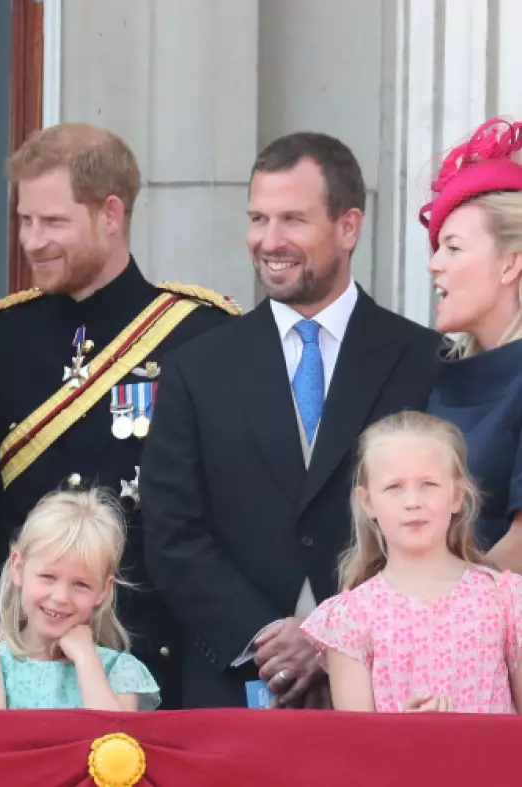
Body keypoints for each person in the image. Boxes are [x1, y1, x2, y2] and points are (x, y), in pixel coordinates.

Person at [140, 131, 443, 709]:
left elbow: (438, 527)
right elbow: (173, 532)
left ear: (348, 227)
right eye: (258, 218)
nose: (268, 241)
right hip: (235, 688)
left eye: (293, 220)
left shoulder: (423, 359)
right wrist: (263, 635)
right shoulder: (196, 367)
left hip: (389, 686)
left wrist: (334, 633)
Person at [0, 122, 239, 709]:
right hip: (29, 646)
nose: (31, 241)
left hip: (155, 647)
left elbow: (223, 505)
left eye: (53, 222)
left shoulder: (202, 333)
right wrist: (48, 602)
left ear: (111, 214)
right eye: (24, 220)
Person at [301, 412, 522, 713]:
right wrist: (410, 734)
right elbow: (356, 745)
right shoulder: (349, 618)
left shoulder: (506, 599)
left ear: (457, 495)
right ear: (368, 504)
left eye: (429, 484)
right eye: (394, 487)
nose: (413, 501)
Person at [0, 488, 159, 710]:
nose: (61, 597)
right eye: (48, 577)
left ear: (103, 590)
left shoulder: (119, 671)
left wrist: (86, 659)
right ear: (18, 567)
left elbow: (116, 739)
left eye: (81, 584)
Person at [422, 117, 522, 571]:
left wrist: (426, 612)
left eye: (454, 248)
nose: (434, 265)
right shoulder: (439, 376)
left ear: (509, 264)